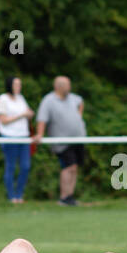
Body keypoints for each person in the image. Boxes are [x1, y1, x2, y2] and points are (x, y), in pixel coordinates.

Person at [33, 76, 86, 206]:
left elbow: (81, 102)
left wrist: (78, 116)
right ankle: (63, 197)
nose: (69, 87)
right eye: (67, 85)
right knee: (69, 167)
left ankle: (70, 197)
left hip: (79, 138)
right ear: (58, 86)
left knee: (75, 168)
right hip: (62, 141)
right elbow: (42, 118)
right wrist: (40, 134)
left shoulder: (73, 98)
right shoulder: (49, 101)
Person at [0, 76, 33, 203]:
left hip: (23, 136)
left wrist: (29, 115)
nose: (19, 87)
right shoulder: (2, 99)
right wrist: (21, 115)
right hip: (9, 136)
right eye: (16, 84)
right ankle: (11, 196)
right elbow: (3, 120)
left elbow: (27, 113)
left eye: (20, 84)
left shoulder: (21, 99)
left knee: (25, 166)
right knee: (10, 166)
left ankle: (19, 194)